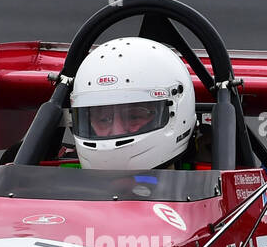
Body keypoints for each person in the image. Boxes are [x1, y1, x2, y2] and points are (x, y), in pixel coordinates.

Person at [68, 37, 209, 169]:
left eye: (134, 116)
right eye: (103, 119)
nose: (117, 131)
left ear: (177, 112)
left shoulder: (213, 179)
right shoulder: (59, 178)